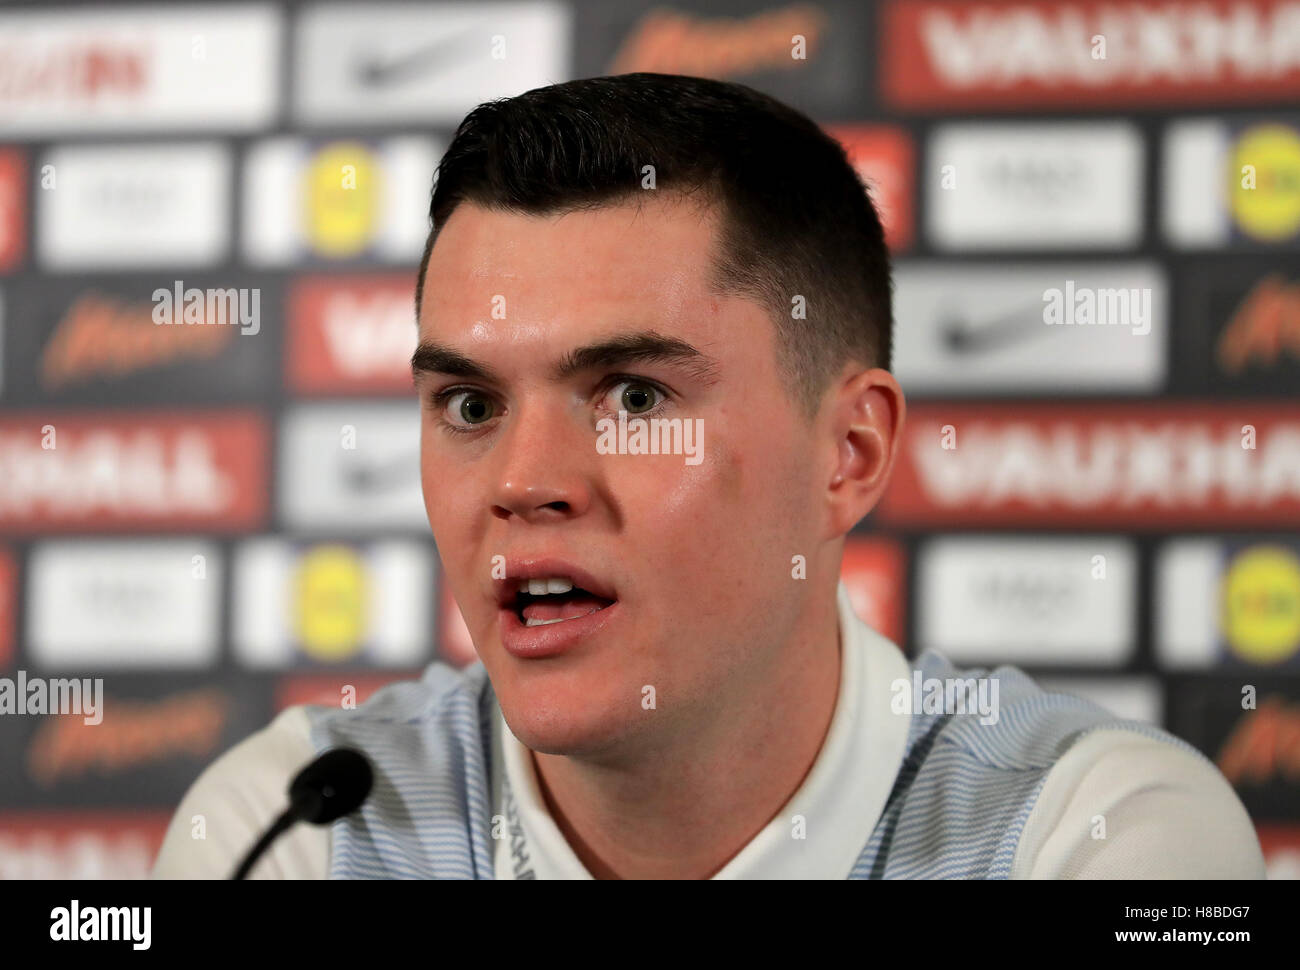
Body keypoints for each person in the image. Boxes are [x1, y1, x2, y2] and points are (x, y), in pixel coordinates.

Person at [153, 73, 1263, 879]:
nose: (523, 482)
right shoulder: (298, 830)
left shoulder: (1097, 830)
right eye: (471, 405)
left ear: (849, 454)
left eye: (633, 397)